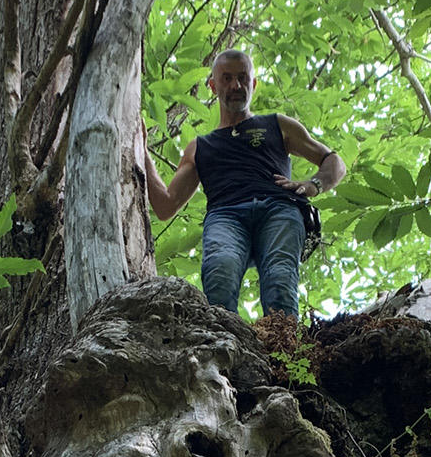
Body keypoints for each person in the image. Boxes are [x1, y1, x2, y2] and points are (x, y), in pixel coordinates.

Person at [141, 50, 345, 319]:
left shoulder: (277, 125)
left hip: (279, 208)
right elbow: (166, 205)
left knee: (280, 279)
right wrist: (141, 152)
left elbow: (334, 161)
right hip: (226, 215)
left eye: (242, 78)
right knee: (220, 272)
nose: (235, 85)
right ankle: (223, 348)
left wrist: (313, 185)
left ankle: (284, 353)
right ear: (213, 86)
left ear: (253, 84)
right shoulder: (200, 147)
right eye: (226, 78)